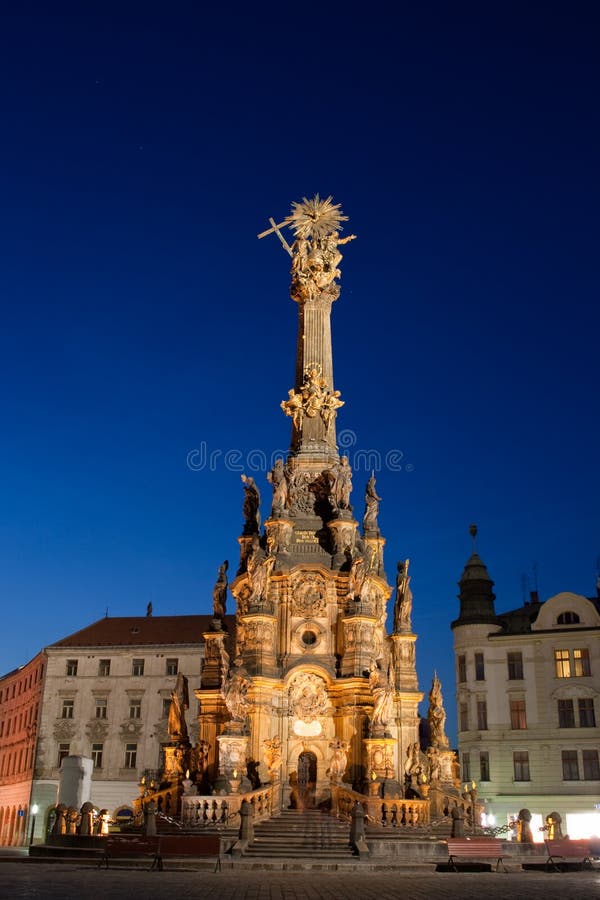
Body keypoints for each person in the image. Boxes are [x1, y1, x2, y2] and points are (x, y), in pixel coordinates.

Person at [167, 672, 189, 741]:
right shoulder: (178, 693)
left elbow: (178, 693)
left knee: (178, 718)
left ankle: (178, 730)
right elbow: (176, 693)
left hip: (178, 708)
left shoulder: (180, 692)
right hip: (175, 708)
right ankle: (176, 730)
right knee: (176, 719)